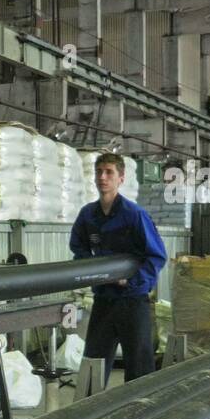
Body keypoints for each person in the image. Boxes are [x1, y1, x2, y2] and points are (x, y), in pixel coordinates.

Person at [69, 153, 168, 382]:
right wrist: (92, 272)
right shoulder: (88, 215)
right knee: (94, 362)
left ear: (121, 178)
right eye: (99, 172)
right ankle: (91, 411)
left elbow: (156, 256)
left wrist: (131, 281)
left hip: (132, 301)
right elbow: (78, 248)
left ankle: (139, 413)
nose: (102, 177)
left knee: (139, 366)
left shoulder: (134, 215)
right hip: (103, 298)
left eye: (109, 172)